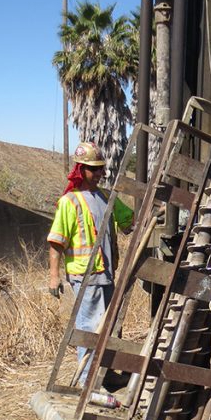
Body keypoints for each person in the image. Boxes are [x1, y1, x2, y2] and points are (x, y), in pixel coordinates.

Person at [47, 141, 134, 385]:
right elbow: (56, 242)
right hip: (85, 276)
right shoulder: (70, 202)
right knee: (89, 329)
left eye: (101, 169)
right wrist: (54, 276)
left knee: (108, 328)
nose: (99, 174)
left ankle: (105, 376)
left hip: (106, 274)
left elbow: (129, 221)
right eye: (94, 169)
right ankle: (88, 382)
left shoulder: (105, 197)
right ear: (80, 169)